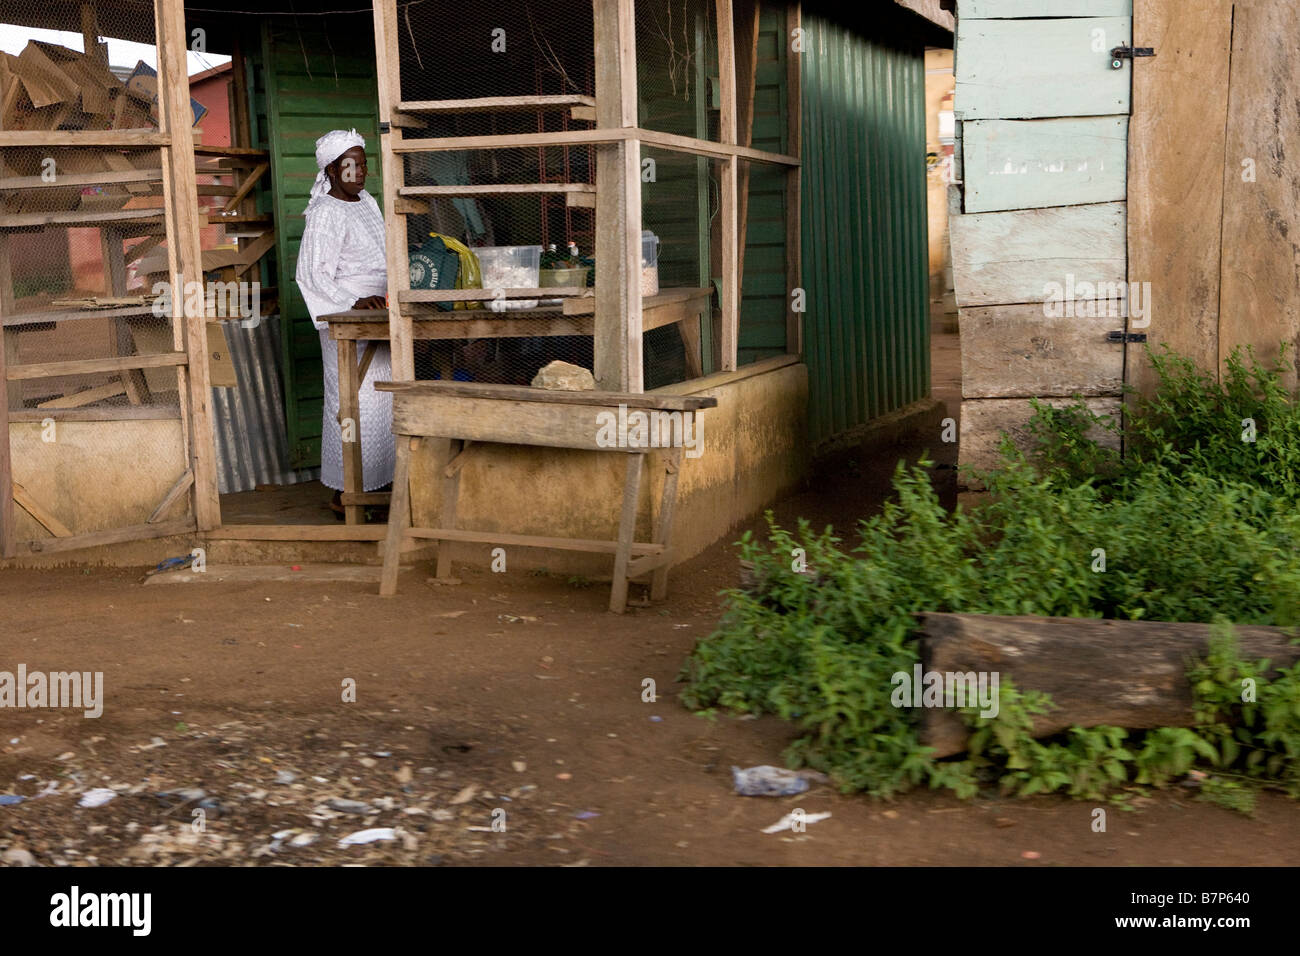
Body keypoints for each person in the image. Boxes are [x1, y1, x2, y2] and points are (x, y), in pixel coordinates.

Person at [294, 129, 394, 516]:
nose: (359, 172)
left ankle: (380, 489)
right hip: (349, 319)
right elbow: (312, 276)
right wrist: (352, 302)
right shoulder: (324, 213)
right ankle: (347, 493)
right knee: (355, 407)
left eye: (364, 164)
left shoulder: (367, 202)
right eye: (350, 165)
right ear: (332, 171)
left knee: (385, 401)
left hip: (380, 312)